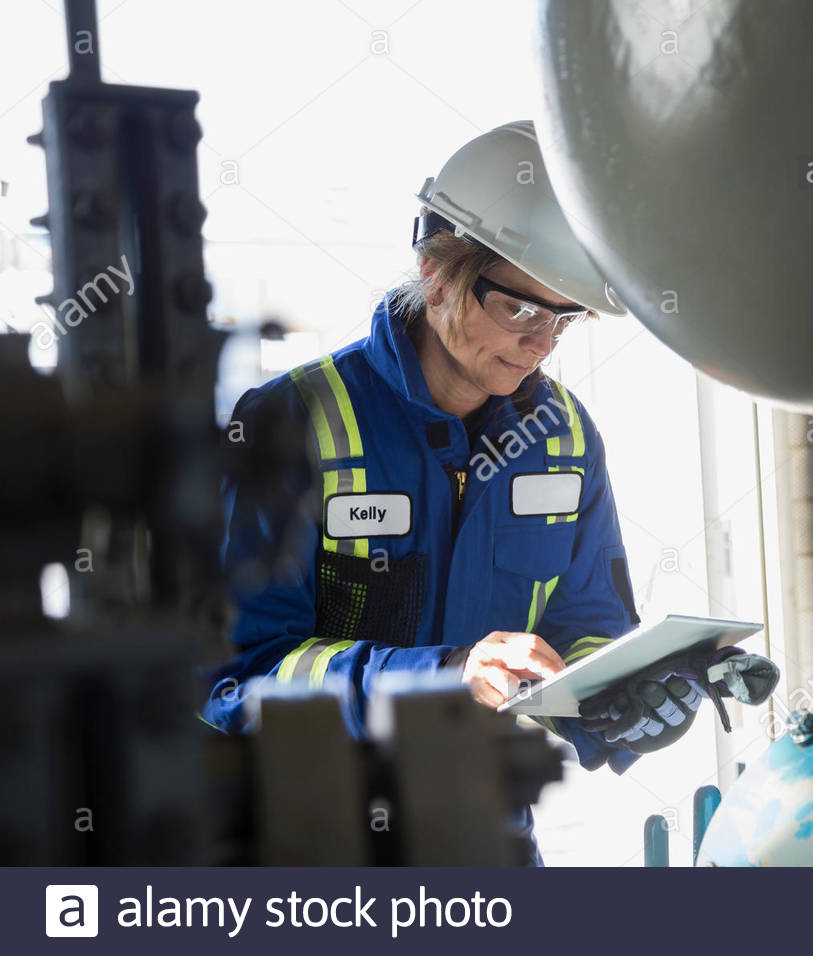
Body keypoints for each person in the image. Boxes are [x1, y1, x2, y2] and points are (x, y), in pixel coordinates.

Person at [198, 121, 709, 864]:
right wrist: (438, 679)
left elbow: (584, 630)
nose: (542, 344)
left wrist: (632, 702)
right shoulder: (291, 425)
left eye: (565, 318)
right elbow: (238, 674)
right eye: (523, 310)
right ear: (436, 271)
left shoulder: (563, 438)